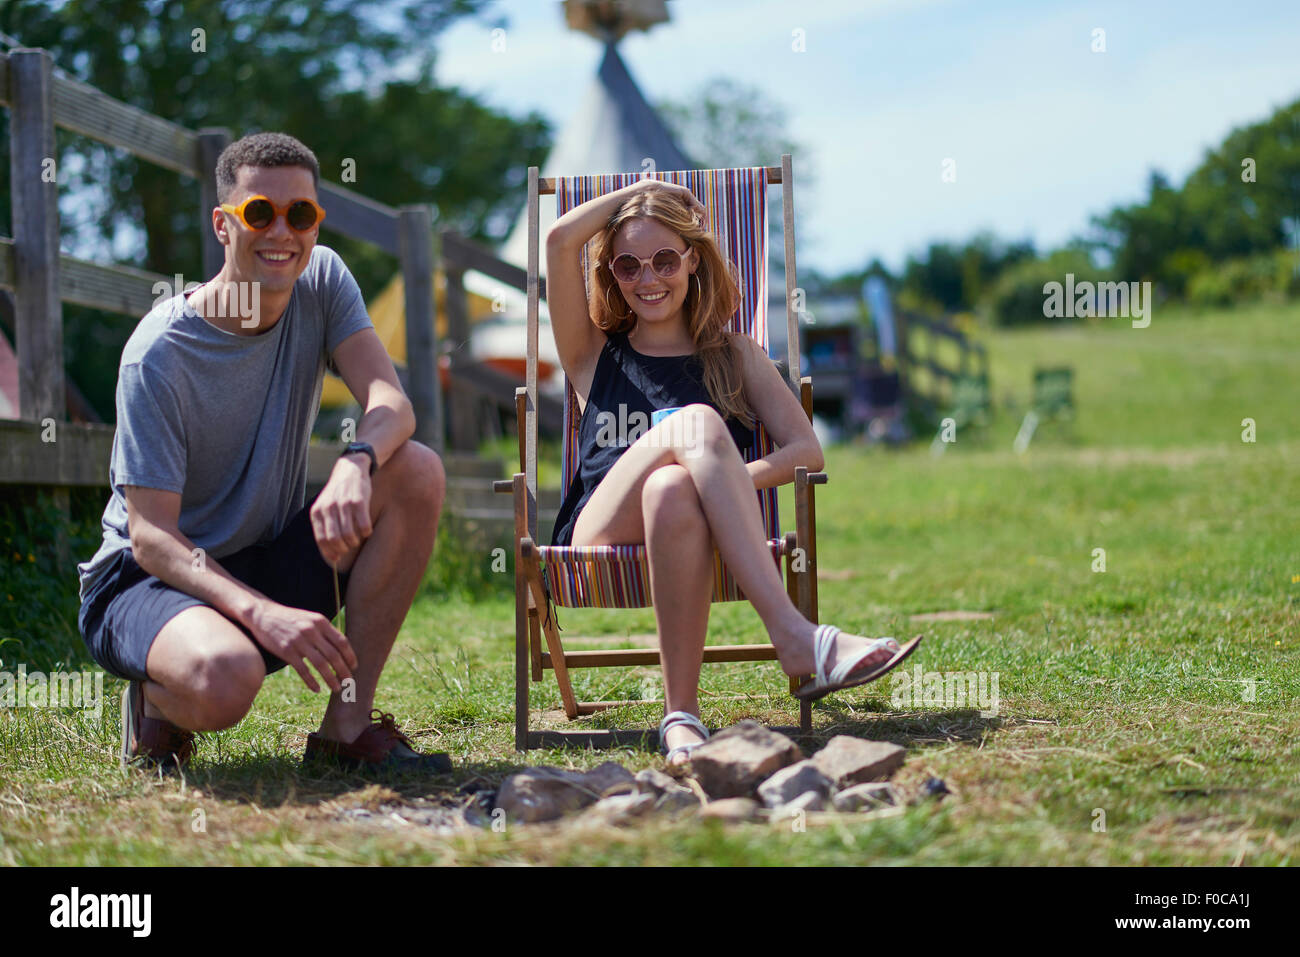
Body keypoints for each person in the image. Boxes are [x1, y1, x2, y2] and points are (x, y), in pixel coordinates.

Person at [76, 132, 449, 773]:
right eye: (260, 213)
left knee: (413, 468)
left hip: (259, 555)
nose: (283, 231)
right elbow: (152, 538)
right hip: (149, 581)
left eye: (300, 214)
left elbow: (394, 402)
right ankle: (155, 703)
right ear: (224, 225)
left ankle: (345, 733)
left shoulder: (323, 279)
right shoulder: (159, 353)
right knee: (227, 679)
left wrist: (355, 462)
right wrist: (264, 614)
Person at [546, 179, 922, 765]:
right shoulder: (593, 353)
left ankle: (680, 719)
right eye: (627, 265)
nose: (648, 278)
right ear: (612, 275)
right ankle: (795, 637)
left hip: (688, 528)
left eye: (665, 259)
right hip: (600, 531)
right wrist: (642, 190)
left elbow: (807, 451)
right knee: (694, 424)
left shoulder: (736, 355)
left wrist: (717, 483)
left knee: (674, 484)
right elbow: (559, 237)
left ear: (693, 259)